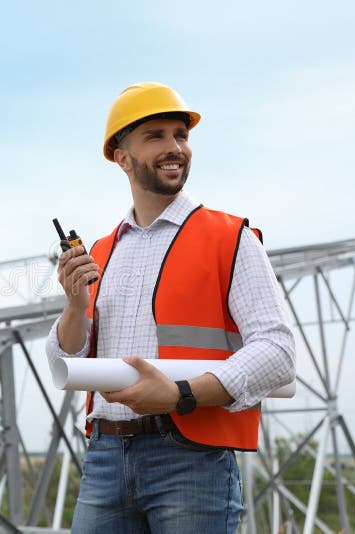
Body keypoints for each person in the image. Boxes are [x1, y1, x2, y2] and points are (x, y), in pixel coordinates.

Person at [45, 82, 296, 533]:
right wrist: (73, 307)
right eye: (155, 136)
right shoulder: (101, 251)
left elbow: (278, 353)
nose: (174, 147)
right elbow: (66, 363)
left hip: (191, 459)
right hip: (104, 456)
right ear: (121, 157)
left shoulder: (230, 238)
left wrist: (181, 394)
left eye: (180, 134)